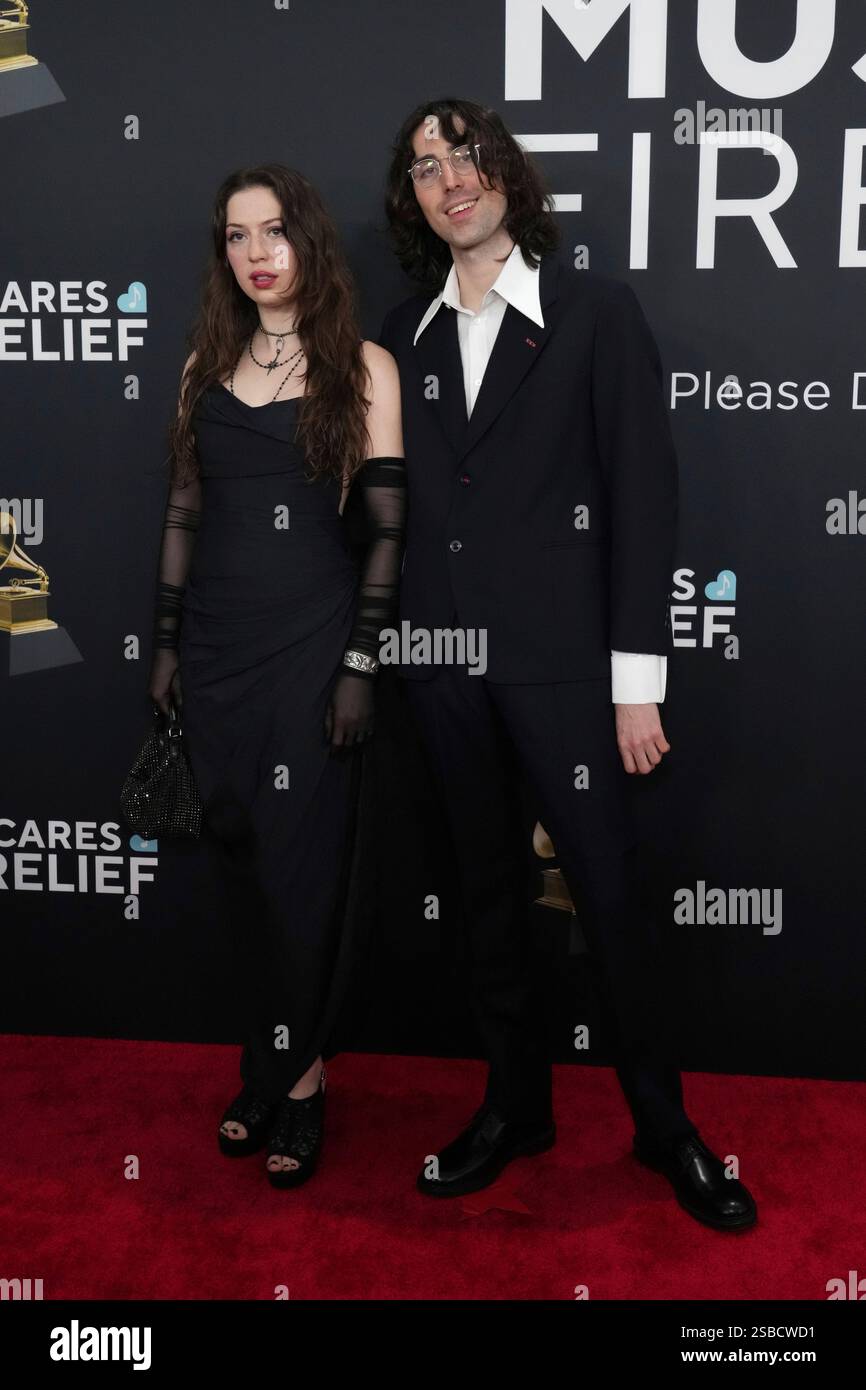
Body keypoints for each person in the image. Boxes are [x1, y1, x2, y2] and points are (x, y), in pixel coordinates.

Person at [379, 98, 756, 1231]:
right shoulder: (403, 336)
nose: (451, 177)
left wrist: (634, 681)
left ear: (508, 173)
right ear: (414, 198)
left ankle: (662, 1129)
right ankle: (515, 1107)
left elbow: (644, 498)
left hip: (567, 677)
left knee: (608, 902)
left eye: (468, 154)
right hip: (444, 672)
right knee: (486, 902)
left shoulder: (593, 314)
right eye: (426, 165)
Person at [148, 163, 406, 1189]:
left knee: (303, 880)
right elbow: (181, 516)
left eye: (274, 232)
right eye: (235, 235)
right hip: (215, 655)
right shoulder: (202, 367)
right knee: (245, 874)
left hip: (310, 649)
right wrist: (165, 645)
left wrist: (357, 664)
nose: (256, 253)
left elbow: (386, 535)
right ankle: (265, 1063)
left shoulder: (364, 369)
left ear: (307, 242)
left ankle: (300, 1086)